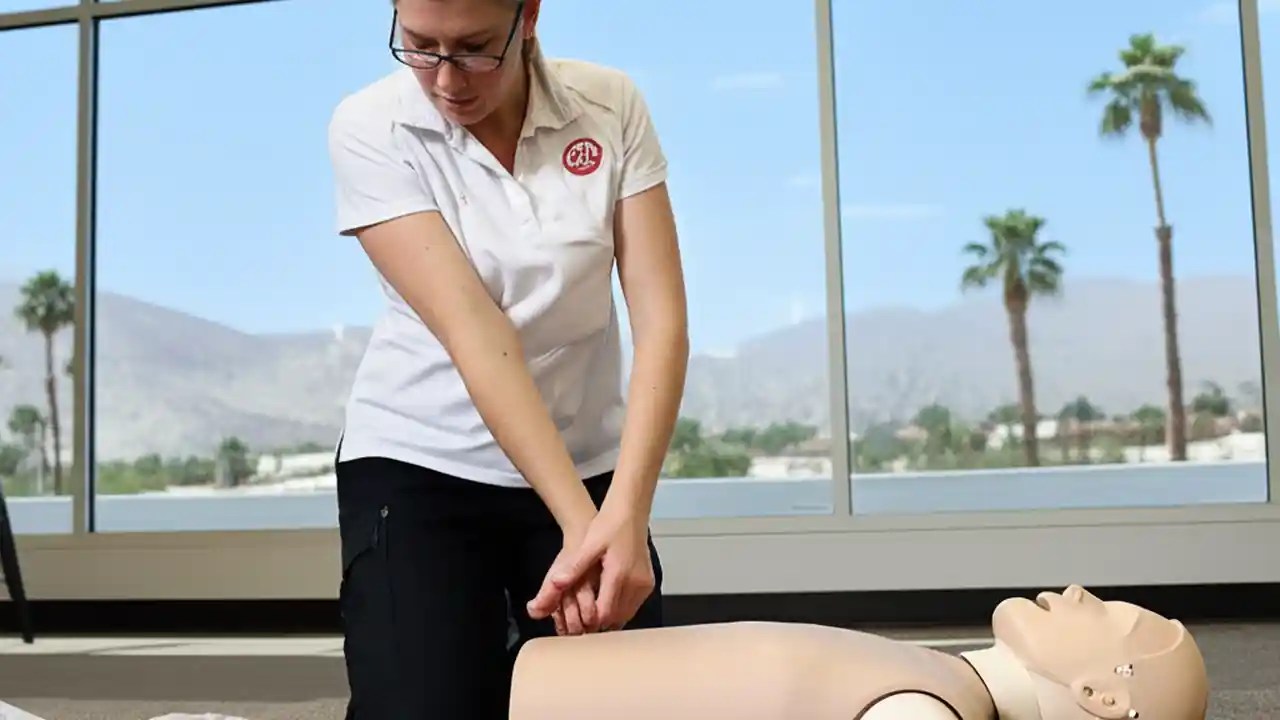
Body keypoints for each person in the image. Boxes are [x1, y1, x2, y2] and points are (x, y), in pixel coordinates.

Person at [325, 0, 689, 717]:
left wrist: (621, 517)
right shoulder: (371, 127)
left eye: (474, 49)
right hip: (422, 459)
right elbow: (477, 334)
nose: (445, 78)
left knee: (626, 701)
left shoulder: (608, 104)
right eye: (419, 46)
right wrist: (584, 532)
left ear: (529, 16)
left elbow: (662, 321)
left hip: (586, 462)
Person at [509, 584, 1212, 720]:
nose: (1080, 591)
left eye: (1111, 617)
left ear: (1103, 697)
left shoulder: (924, 710)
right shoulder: (941, 682)